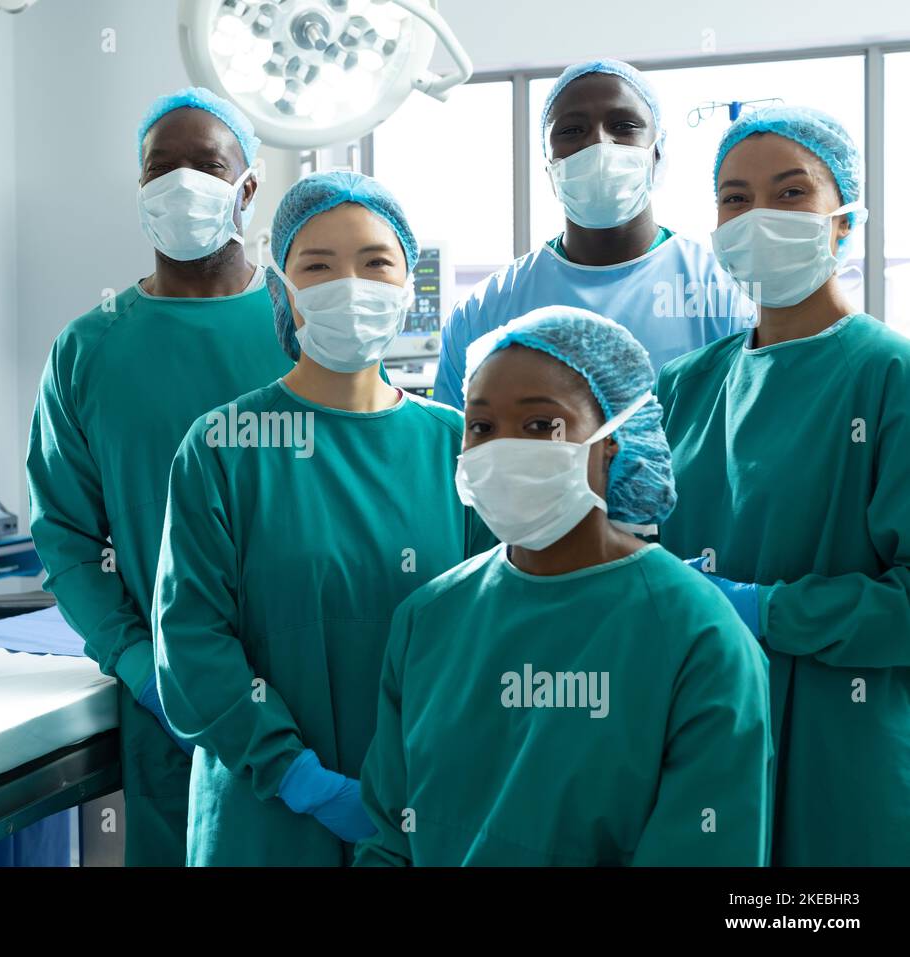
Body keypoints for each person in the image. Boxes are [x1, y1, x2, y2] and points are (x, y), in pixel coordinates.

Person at [152, 171, 494, 866]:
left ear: (407, 283)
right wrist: (295, 774)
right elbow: (191, 641)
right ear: (283, 289)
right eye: (318, 265)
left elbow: (497, 632)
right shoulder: (223, 448)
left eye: (375, 263)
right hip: (263, 816)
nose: (351, 284)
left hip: (423, 807)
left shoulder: (457, 448)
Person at [355, 306, 772, 866]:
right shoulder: (428, 618)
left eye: (539, 426)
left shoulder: (696, 637)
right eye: (480, 426)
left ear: (612, 442)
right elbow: (390, 841)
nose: (502, 448)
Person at [25, 87, 292, 866]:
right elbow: (67, 538)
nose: (181, 184)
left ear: (248, 186)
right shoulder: (90, 350)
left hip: (317, 680)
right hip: (169, 698)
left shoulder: (305, 324)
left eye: (207, 165)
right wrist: (138, 663)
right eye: (159, 168)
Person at [659, 105, 910, 866]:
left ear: (844, 221)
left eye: (792, 192)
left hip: (847, 762)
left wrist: (767, 609)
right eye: (735, 198)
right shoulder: (686, 388)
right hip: (706, 742)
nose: (758, 215)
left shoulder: (888, 377)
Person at [432, 59, 754, 408]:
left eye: (624, 125)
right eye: (572, 130)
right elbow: (456, 449)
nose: (599, 144)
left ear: (657, 155)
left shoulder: (728, 293)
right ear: (550, 165)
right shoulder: (485, 311)